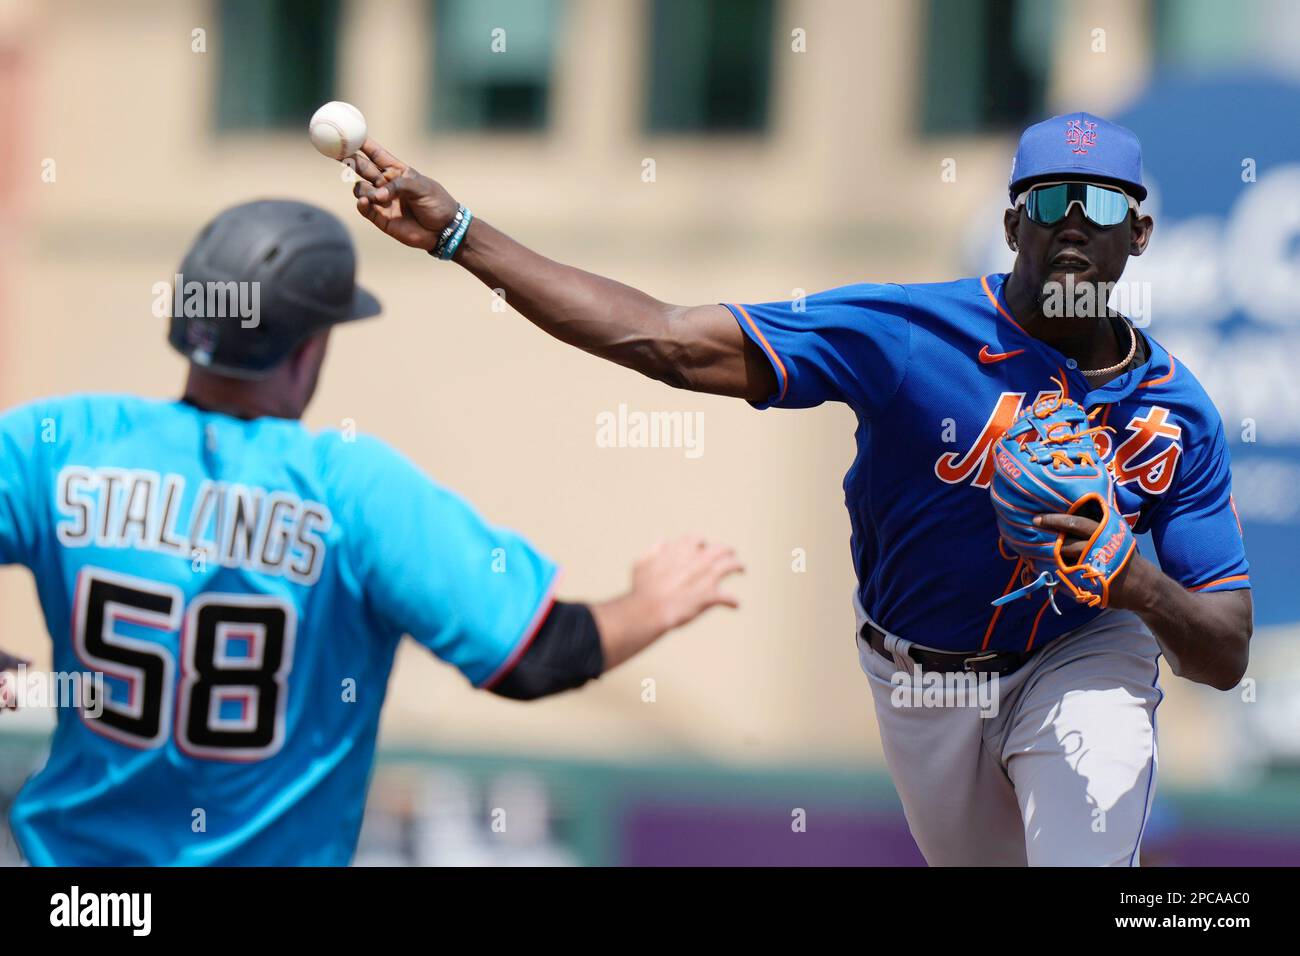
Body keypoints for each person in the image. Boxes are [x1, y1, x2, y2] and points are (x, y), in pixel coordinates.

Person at [346, 112, 1252, 866]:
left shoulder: (1178, 413)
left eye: (1101, 203)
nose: (1073, 222)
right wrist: (462, 235)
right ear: (1013, 225)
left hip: (1081, 650)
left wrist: (1130, 578)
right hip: (922, 683)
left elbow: (1224, 652)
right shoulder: (907, 334)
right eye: (1048, 199)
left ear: (1138, 233)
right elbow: (666, 339)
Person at [0, 199, 742, 865]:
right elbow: (535, 659)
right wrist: (648, 604)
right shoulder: (352, 487)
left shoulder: (59, 442)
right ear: (308, 347)